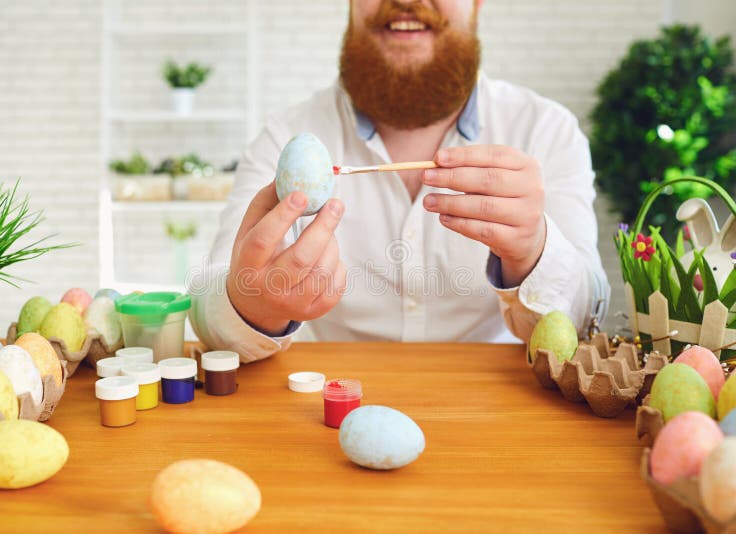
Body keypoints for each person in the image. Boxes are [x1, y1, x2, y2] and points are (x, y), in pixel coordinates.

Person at [188, 0, 610, 362]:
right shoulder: (285, 138)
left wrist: (533, 251)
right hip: (323, 410)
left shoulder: (545, 131)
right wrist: (251, 303)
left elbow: (588, 314)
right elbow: (208, 304)